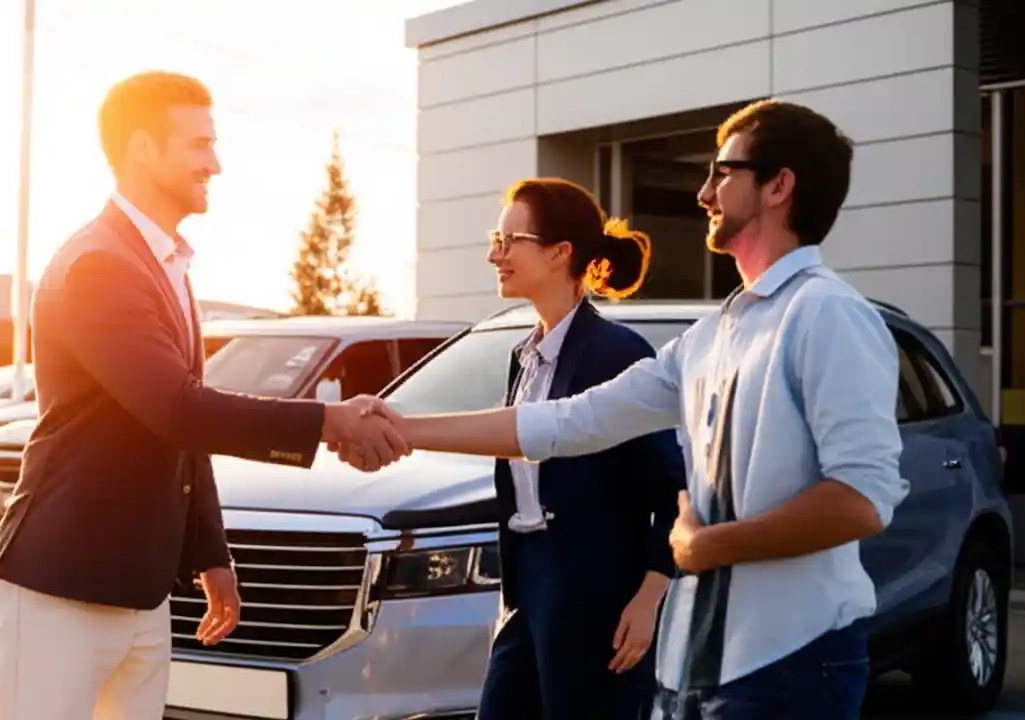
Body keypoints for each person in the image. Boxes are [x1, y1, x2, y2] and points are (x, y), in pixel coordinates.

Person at [344, 99, 909, 720]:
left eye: (721, 172)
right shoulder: (715, 333)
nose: (703, 193)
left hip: (794, 664)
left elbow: (862, 497)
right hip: (706, 661)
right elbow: (568, 422)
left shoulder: (829, 314)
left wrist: (708, 546)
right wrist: (405, 428)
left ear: (780, 185)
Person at [0, 71, 407, 720]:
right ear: (141, 150)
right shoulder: (97, 264)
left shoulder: (167, 263)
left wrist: (212, 555)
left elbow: (182, 425)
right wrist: (329, 420)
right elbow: (177, 408)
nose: (216, 162)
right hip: (60, 583)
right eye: (199, 145)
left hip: (143, 589)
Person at [468, 178, 686, 719]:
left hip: (596, 592)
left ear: (560, 252)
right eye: (496, 238)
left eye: (509, 239)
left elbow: (674, 485)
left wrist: (649, 597)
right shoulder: (524, 356)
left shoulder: (615, 353)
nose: (495, 253)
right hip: (528, 586)